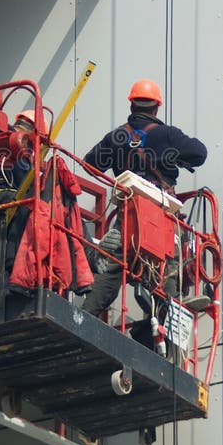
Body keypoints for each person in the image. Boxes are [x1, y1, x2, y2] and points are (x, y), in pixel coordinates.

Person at [82, 79, 207, 316]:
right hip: (160, 213)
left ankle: (85, 315)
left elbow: (91, 164)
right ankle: (168, 326)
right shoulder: (166, 135)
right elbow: (199, 153)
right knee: (168, 267)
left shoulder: (116, 137)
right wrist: (175, 158)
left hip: (128, 213)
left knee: (112, 268)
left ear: (132, 106)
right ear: (156, 108)